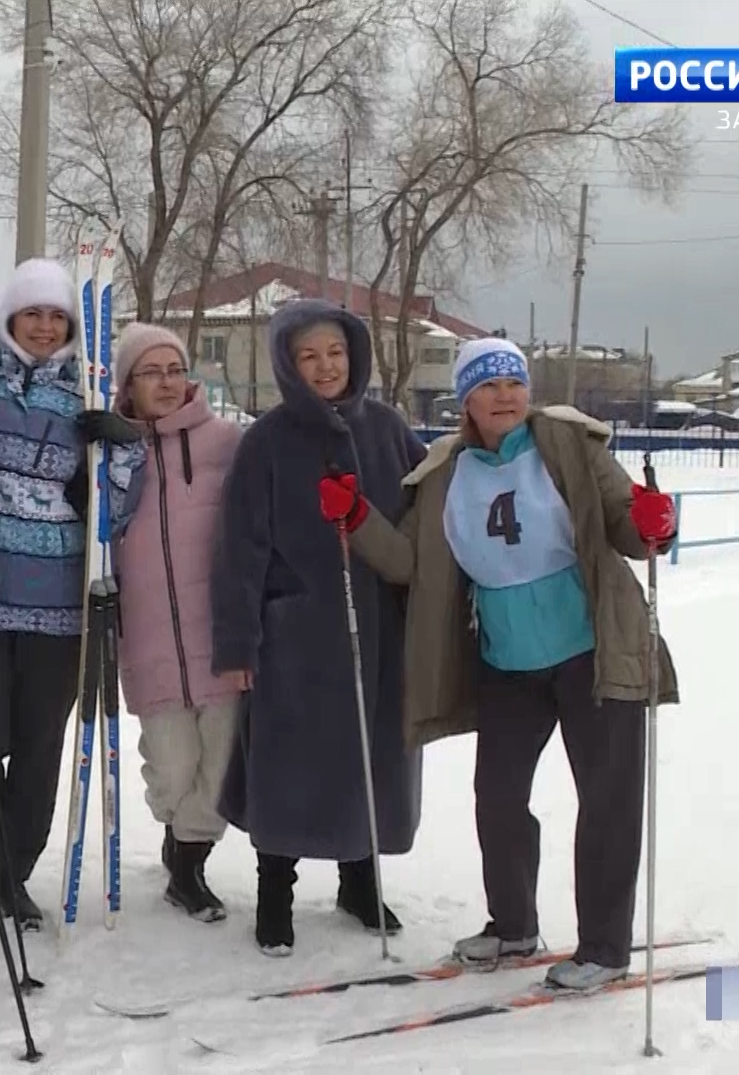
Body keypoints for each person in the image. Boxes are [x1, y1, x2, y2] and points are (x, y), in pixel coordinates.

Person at [331, 336, 680, 991]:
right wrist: (355, 518)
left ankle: (604, 947)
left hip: (592, 653)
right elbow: (410, 562)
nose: (506, 397)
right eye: (489, 386)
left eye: (514, 383)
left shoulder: (570, 448)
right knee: (497, 798)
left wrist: (656, 524)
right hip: (506, 663)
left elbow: (626, 526)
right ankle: (513, 925)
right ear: (465, 400)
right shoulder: (444, 476)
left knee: (607, 801)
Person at [211, 298, 426, 958]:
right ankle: (275, 889)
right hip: (296, 638)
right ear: (289, 365)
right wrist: (240, 642)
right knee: (289, 768)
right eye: (309, 356)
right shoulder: (266, 442)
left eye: (334, 352)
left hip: (379, 633)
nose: (325, 366)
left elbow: (429, 504)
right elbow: (239, 550)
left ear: (354, 356)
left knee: (371, 761)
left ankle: (360, 880)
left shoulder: (389, 429)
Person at [0, 256, 145, 931]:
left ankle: (10, 869)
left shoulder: (85, 395)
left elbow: (113, 507)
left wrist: (122, 450)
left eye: (58, 317)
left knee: (36, 748)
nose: (46, 328)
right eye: (34, 314)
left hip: (58, 602)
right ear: (8, 318)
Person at [108, 322, 245, 924]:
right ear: (127, 387)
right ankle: (176, 832)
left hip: (221, 638)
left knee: (221, 765)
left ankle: (189, 864)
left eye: (174, 370)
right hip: (149, 636)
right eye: (149, 373)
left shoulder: (229, 443)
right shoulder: (111, 451)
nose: (165, 383)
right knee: (171, 764)